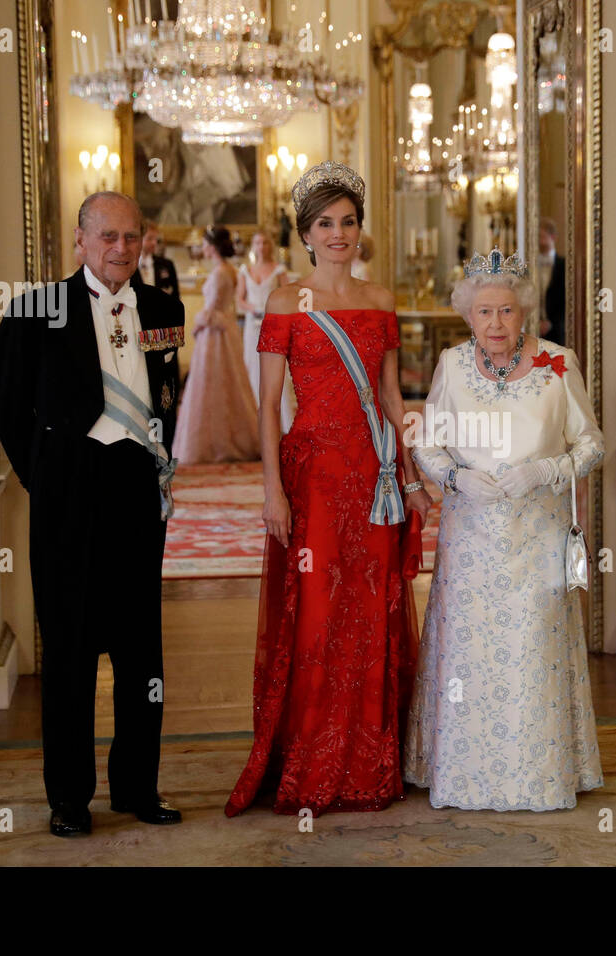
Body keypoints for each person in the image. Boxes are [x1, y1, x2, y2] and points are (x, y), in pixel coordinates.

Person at [224, 161, 432, 817]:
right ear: (305, 235)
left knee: (370, 615)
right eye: (324, 224)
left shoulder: (381, 299)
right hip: (312, 477)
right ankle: (312, 760)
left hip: (371, 477)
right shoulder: (284, 300)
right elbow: (267, 406)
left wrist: (417, 470)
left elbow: (393, 397)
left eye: (347, 223)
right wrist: (271, 492)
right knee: (316, 618)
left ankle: (369, 764)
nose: (337, 234)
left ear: (359, 231)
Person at [0, 191, 185, 837]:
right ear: (79, 239)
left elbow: (166, 398)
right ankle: (69, 799)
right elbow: (10, 408)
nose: (120, 249)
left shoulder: (163, 309)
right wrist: (45, 479)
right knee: (70, 658)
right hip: (66, 501)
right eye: (107, 237)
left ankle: (137, 787)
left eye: (131, 237)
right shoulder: (33, 311)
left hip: (136, 497)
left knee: (141, 658)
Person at [405, 248, 604, 811]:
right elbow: (427, 441)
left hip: (537, 535)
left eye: (508, 311)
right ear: (468, 315)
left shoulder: (558, 363)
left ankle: (537, 776)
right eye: (485, 312)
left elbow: (591, 444)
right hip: (469, 537)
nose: (496, 323)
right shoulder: (451, 364)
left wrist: (547, 470)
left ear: (526, 314)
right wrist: (455, 477)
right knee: (469, 655)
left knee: (531, 650)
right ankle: (464, 776)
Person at [171, 226, 261, 463]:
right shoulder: (229, 270)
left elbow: (211, 309)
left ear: (212, 246)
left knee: (212, 382)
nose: (202, 248)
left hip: (214, 333)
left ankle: (213, 444)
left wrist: (196, 324)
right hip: (224, 330)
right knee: (228, 381)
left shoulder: (221, 272)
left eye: (204, 243)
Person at [236, 225, 296, 431]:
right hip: (252, 327)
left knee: (277, 371)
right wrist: (251, 308)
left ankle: (284, 425)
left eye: (264, 242)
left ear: (270, 245)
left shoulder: (279, 270)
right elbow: (239, 300)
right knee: (252, 369)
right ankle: (255, 426)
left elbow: (288, 296)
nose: (261, 247)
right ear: (253, 246)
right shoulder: (246, 270)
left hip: (273, 325)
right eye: (257, 243)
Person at [134, 220, 180, 299]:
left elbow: (175, 296)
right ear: (139, 239)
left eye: (156, 239)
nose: (154, 243)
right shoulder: (129, 265)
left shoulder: (167, 265)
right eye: (150, 238)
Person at [537, 219, 566, 344]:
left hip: (556, 330)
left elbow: (566, 298)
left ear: (552, 237)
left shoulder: (563, 265)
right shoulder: (530, 264)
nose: (539, 241)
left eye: (542, 236)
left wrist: (551, 323)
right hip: (532, 328)